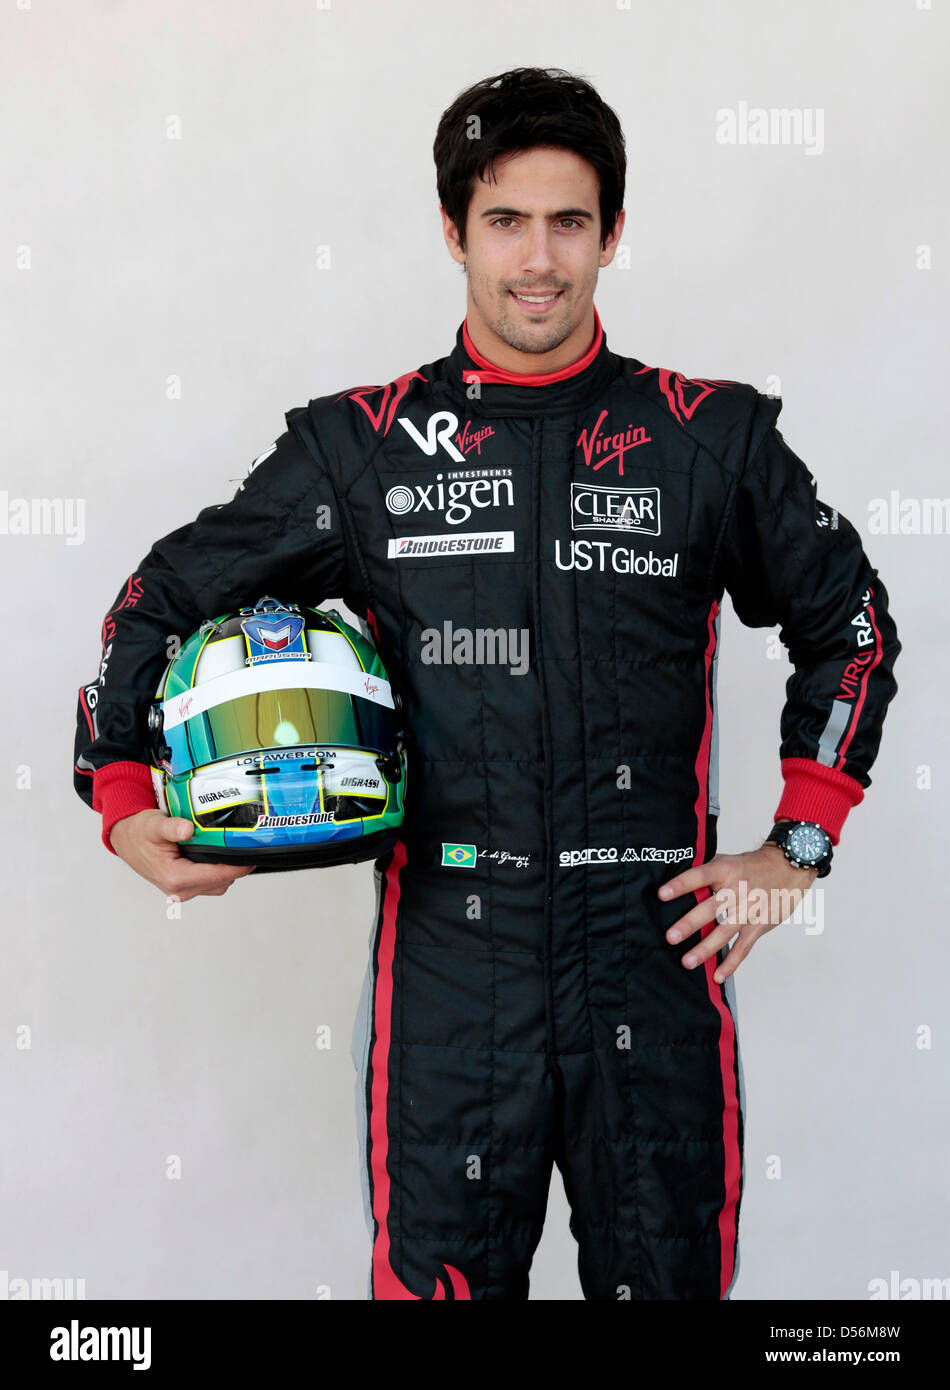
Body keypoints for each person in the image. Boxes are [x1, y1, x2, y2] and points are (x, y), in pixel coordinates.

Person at [73, 67, 901, 1300]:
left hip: (651, 963)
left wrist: (800, 843)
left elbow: (854, 622)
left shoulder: (703, 437)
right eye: (504, 220)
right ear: (452, 229)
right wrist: (121, 790)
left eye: (568, 222)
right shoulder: (360, 446)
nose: (537, 259)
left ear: (612, 234)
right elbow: (158, 595)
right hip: (454, 980)